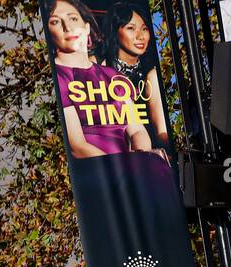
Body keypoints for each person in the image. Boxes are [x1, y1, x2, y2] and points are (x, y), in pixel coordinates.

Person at [45, 0, 164, 161]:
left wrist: (141, 159)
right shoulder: (59, 76)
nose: (68, 27)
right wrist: (124, 166)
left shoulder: (112, 75)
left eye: (73, 18)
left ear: (87, 27)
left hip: (131, 169)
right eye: (56, 22)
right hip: (96, 170)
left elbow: (137, 130)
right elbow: (77, 146)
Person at [101, 1, 170, 148]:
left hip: (147, 151)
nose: (140, 36)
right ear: (115, 31)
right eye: (131, 28)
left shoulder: (151, 73)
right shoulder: (101, 67)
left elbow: (162, 132)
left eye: (144, 29)